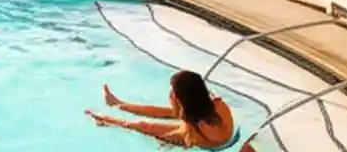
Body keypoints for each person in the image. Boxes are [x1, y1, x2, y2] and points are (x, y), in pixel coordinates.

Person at [86, 71, 248, 150]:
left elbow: (193, 142)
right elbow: (167, 113)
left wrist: (167, 140)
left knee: (144, 127)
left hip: (215, 145)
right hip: (207, 137)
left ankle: (107, 119)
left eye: (174, 92)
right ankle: (117, 104)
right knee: (149, 123)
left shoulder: (200, 122)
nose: (171, 94)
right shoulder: (214, 104)